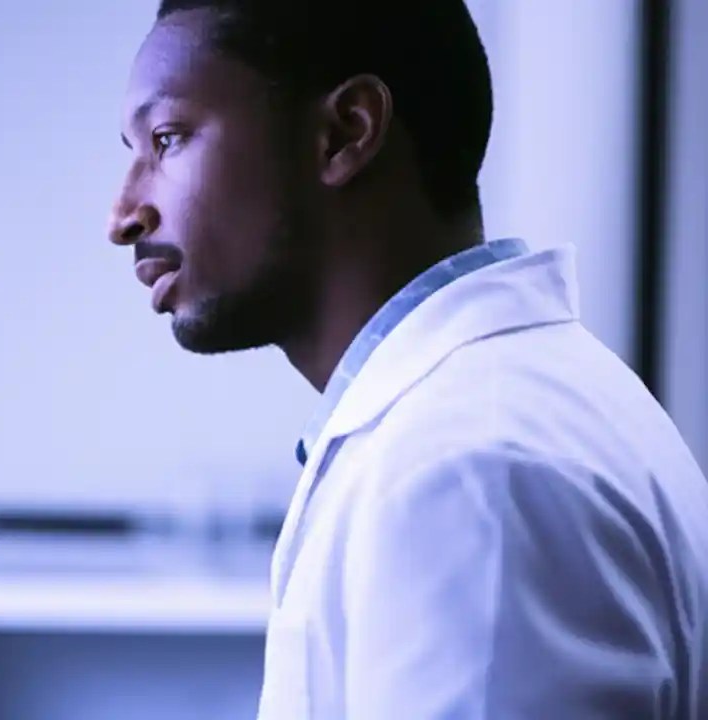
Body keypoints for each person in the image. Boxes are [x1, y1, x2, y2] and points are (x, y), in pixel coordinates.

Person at [107, 1, 708, 718]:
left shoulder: (472, 465)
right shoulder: (490, 414)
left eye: (168, 139)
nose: (124, 214)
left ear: (344, 132)